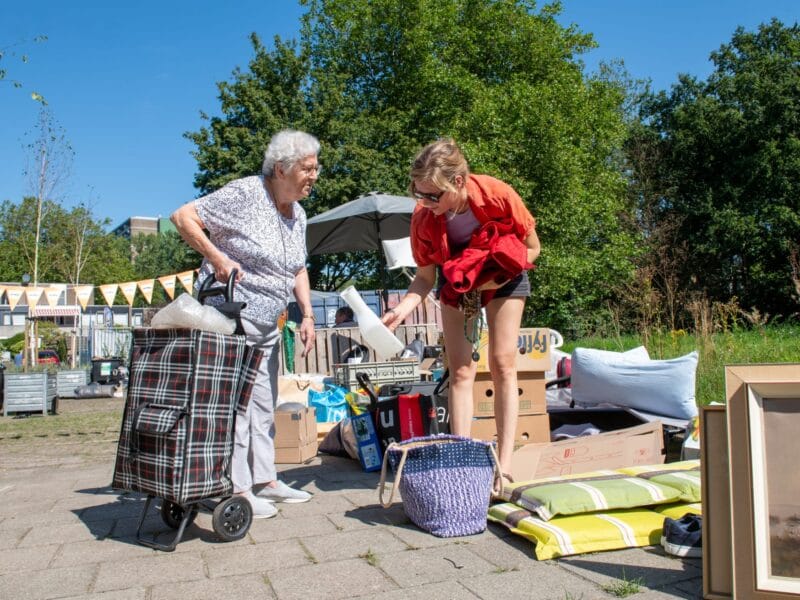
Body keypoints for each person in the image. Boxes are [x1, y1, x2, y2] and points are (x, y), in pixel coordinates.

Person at [171, 129, 320, 518]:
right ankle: (235, 488)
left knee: (263, 403)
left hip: (269, 322)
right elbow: (183, 217)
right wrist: (217, 258)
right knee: (236, 405)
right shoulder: (246, 193)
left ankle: (266, 479)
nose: (314, 176)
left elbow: (298, 267)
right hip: (232, 316)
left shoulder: (298, 214)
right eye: (308, 168)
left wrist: (306, 313)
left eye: (316, 168)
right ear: (282, 168)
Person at [382, 138, 541, 477]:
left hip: (503, 276)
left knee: (502, 363)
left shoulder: (497, 194)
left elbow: (532, 249)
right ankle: (462, 462)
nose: (424, 202)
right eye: (418, 193)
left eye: (432, 195)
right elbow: (425, 278)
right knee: (461, 371)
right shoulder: (423, 217)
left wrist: (495, 280)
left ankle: (505, 466)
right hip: (457, 283)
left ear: (457, 182)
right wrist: (403, 309)